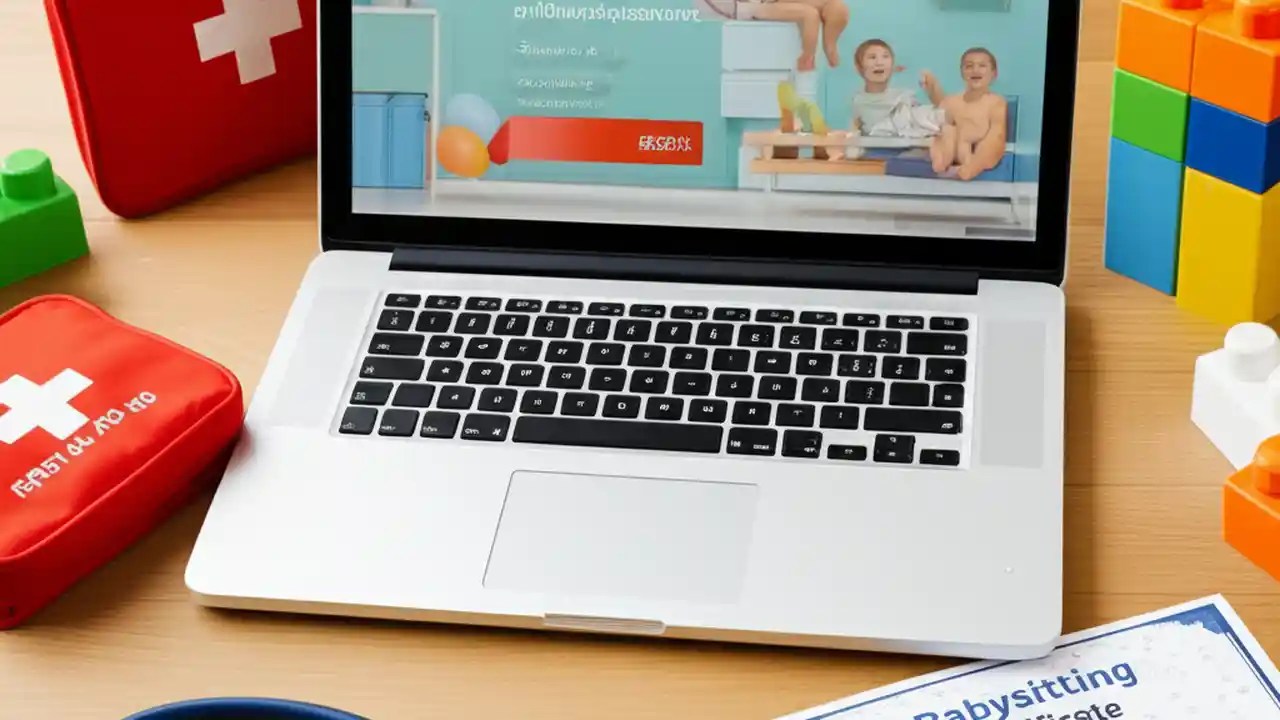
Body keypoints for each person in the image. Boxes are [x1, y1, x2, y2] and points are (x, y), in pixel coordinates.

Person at [927, 47, 1008, 181]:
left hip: (975, 151)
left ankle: (972, 166)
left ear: (994, 74)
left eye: (982, 66)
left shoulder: (995, 102)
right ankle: (941, 162)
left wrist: (975, 164)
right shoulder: (952, 101)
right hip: (951, 151)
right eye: (969, 66)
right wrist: (932, 88)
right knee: (945, 131)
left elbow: (996, 135)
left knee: (988, 138)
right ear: (962, 73)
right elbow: (941, 113)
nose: (975, 70)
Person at [748, 0, 850, 71]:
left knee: (837, 6)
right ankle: (808, 57)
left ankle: (830, 44)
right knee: (811, 14)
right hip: (761, 4)